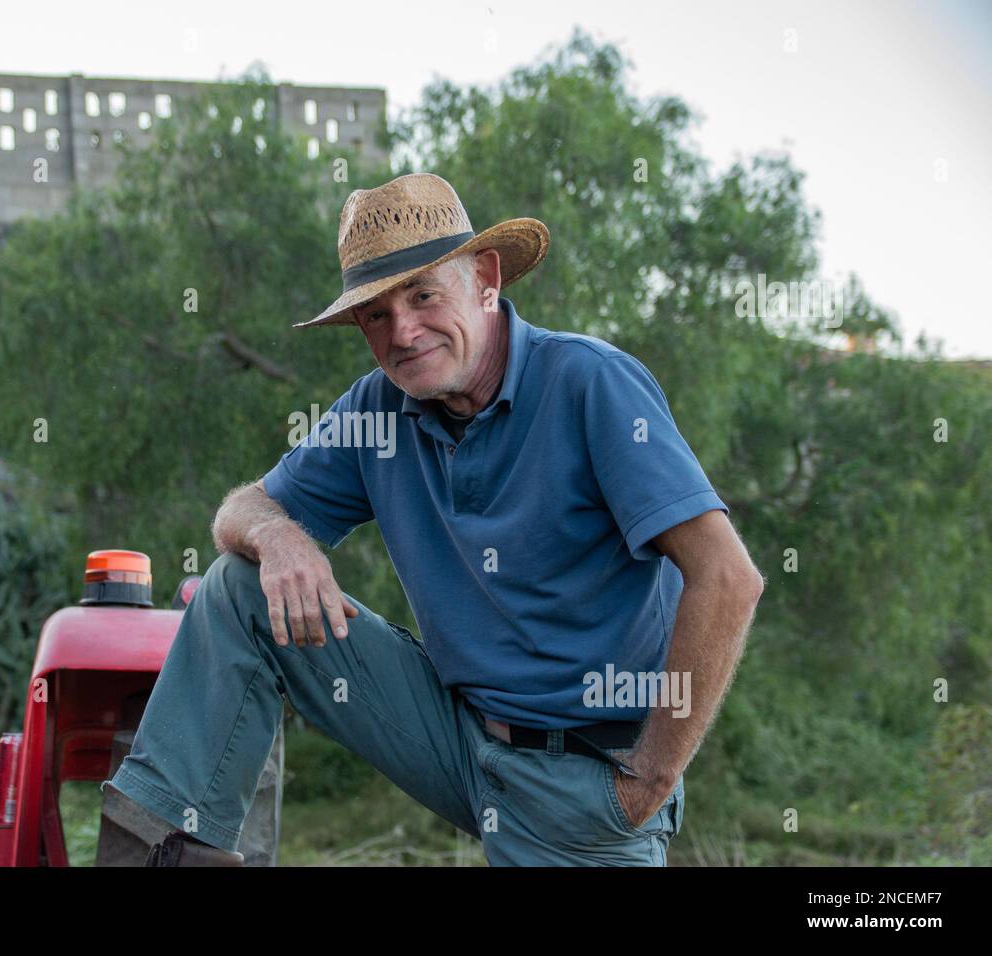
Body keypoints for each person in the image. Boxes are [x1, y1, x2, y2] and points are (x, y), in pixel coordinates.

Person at [102, 172, 764, 866]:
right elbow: (240, 509)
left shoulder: (590, 384)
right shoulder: (377, 410)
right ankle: (157, 856)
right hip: (455, 739)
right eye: (376, 315)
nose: (403, 332)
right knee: (239, 586)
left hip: (586, 781)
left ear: (485, 278)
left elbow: (727, 579)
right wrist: (278, 535)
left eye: (422, 296)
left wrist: (650, 779)